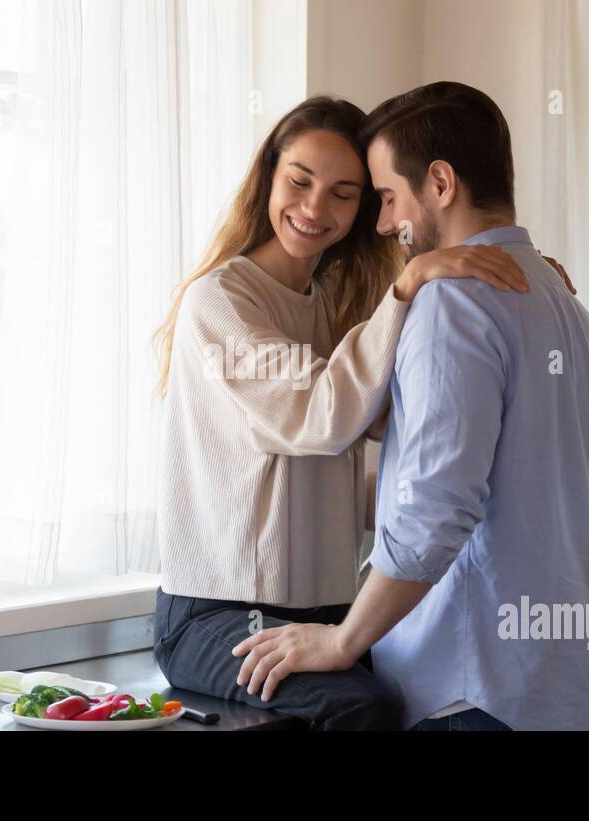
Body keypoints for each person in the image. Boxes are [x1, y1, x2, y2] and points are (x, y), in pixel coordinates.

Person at [150, 95, 545, 731]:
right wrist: (410, 282)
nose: (313, 208)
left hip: (325, 609)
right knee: (362, 709)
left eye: (343, 193)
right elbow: (320, 415)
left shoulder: (331, 303)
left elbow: (394, 422)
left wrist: (513, 286)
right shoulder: (218, 302)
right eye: (299, 181)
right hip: (219, 613)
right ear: (268, 178)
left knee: (417, 697)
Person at [234, 82, 589, 731]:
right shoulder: (565, 302)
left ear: (439, 183)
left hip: (469, 692)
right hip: (559, 686)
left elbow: (433, 509)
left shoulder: (454, 306)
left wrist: (343, 639)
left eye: (385, 197)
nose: (381, 224)